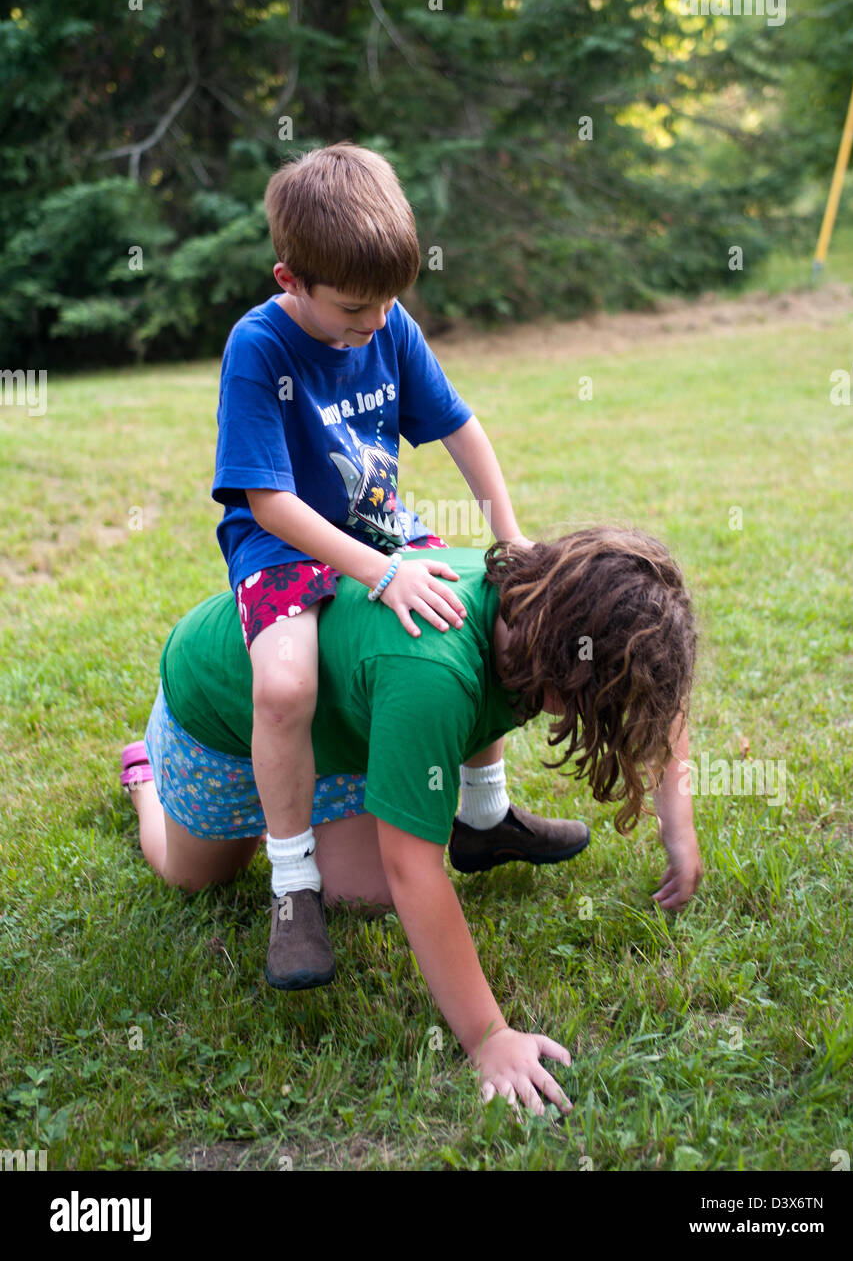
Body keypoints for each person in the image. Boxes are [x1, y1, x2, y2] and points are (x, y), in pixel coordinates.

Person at [122, 530, 702, 1115]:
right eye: (598, 703)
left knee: (364, 894)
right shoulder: (435, 678)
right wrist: (489, 1037)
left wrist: (678, 825)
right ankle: (148, 778)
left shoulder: (538, 601)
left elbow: (653, 678)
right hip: (219, 713)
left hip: (345, 735)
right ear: (570, 661)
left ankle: (299, 810)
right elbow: (413, 868)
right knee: (196, 880)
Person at [212, 141, 532, 990]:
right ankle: (293, 885)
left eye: (390, 302)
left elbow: (460, 426)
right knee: (284, 685)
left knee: (471, 612)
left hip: (381, 526)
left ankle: (485, 814)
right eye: (356, 308)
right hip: (283, 547)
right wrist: (381, 576)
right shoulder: (259, 347)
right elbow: (266, 503)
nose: (377, 323)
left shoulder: (390, 324)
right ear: (291, 280)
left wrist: (508, 530)